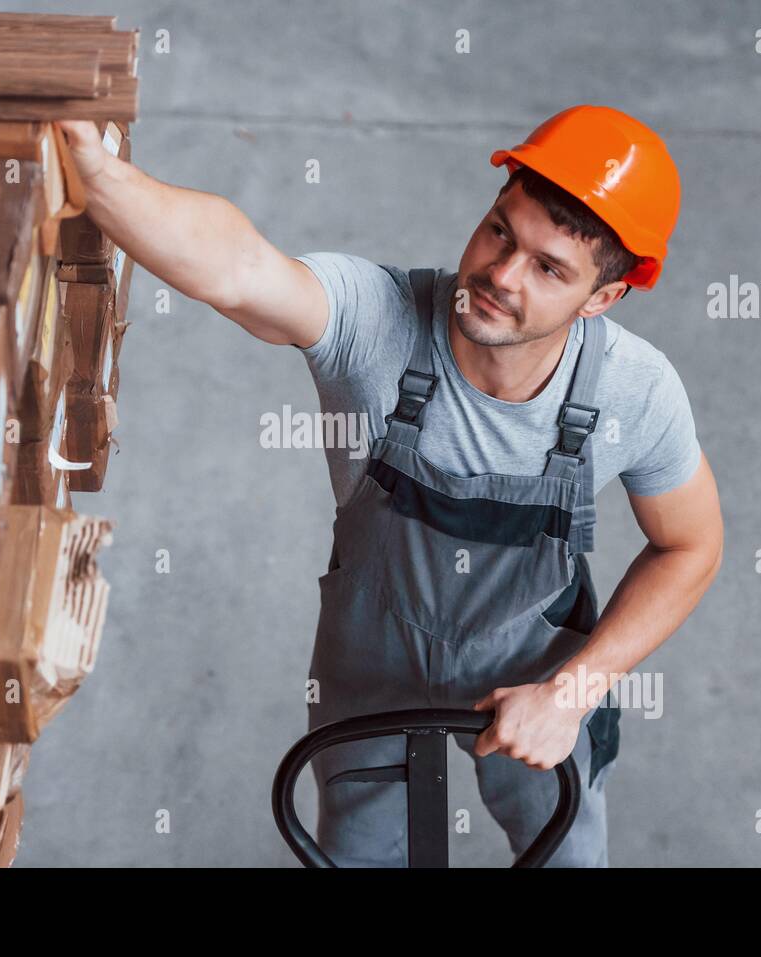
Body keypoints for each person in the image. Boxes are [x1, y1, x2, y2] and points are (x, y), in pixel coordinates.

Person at [60, 104, 724, 867]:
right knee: (361, 856)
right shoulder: (376, 324)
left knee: (565, 855)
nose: (501, 275)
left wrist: (572, 694)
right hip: (373, 673)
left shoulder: (633, 393)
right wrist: (103, 179)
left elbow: (692, 544)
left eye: (549, 268)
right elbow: (239, 268)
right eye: (501, 230)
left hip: (538, 676)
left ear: (603, 297)